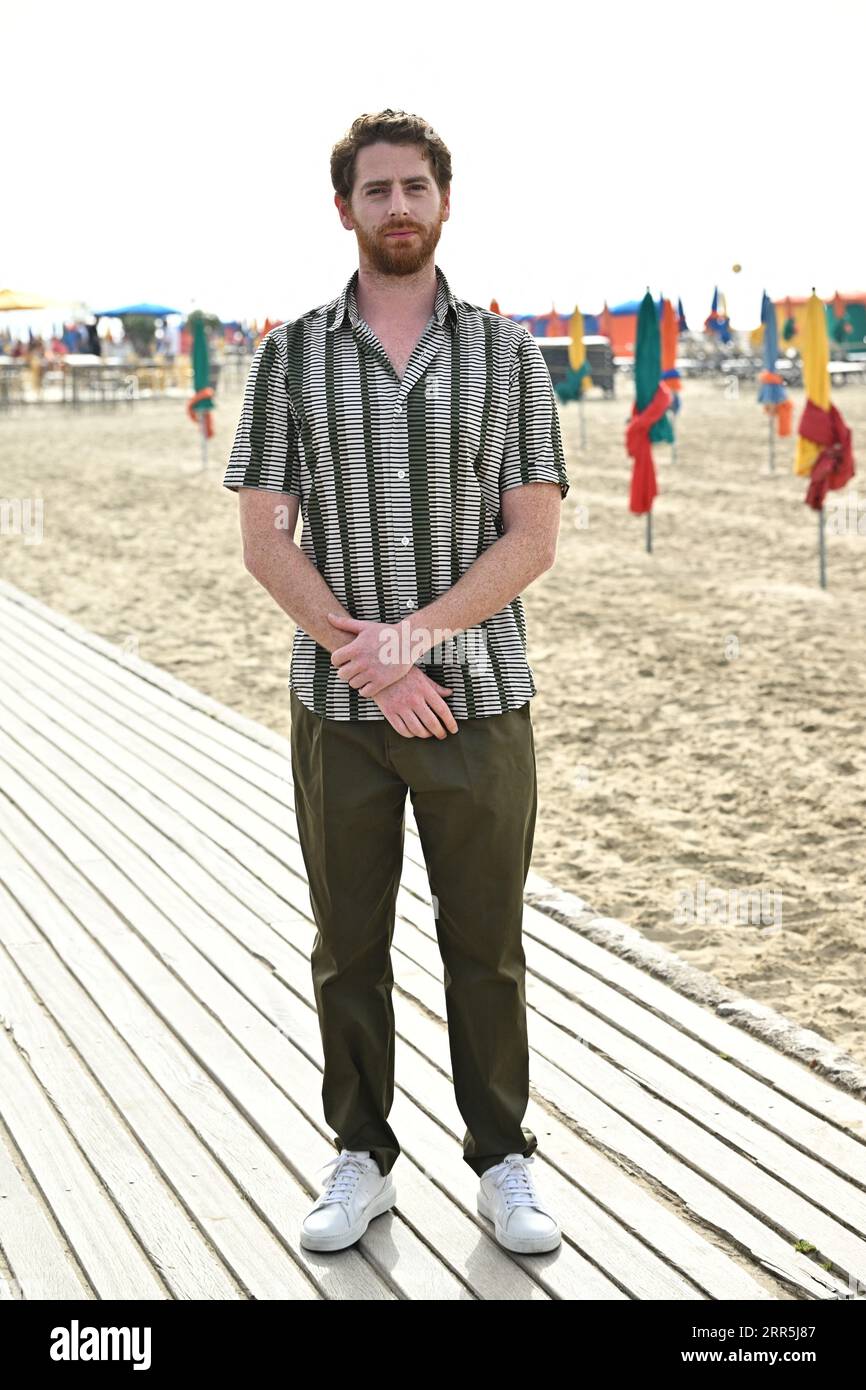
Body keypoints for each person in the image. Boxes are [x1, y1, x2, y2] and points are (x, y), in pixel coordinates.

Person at [223, 108, 569, 1258]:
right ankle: (360, 1154)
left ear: (444, 200)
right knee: (347, 939)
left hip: (479, 696)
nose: (398, 207)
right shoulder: (287, 355)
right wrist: (363, 665)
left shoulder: (508, 354)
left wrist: (409, 644)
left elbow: (530, 539)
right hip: (339, 713)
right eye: (376, 190)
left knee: (485, 938)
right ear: (345, 210)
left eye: (415, 186)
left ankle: (502, 1158)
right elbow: (266, 538)